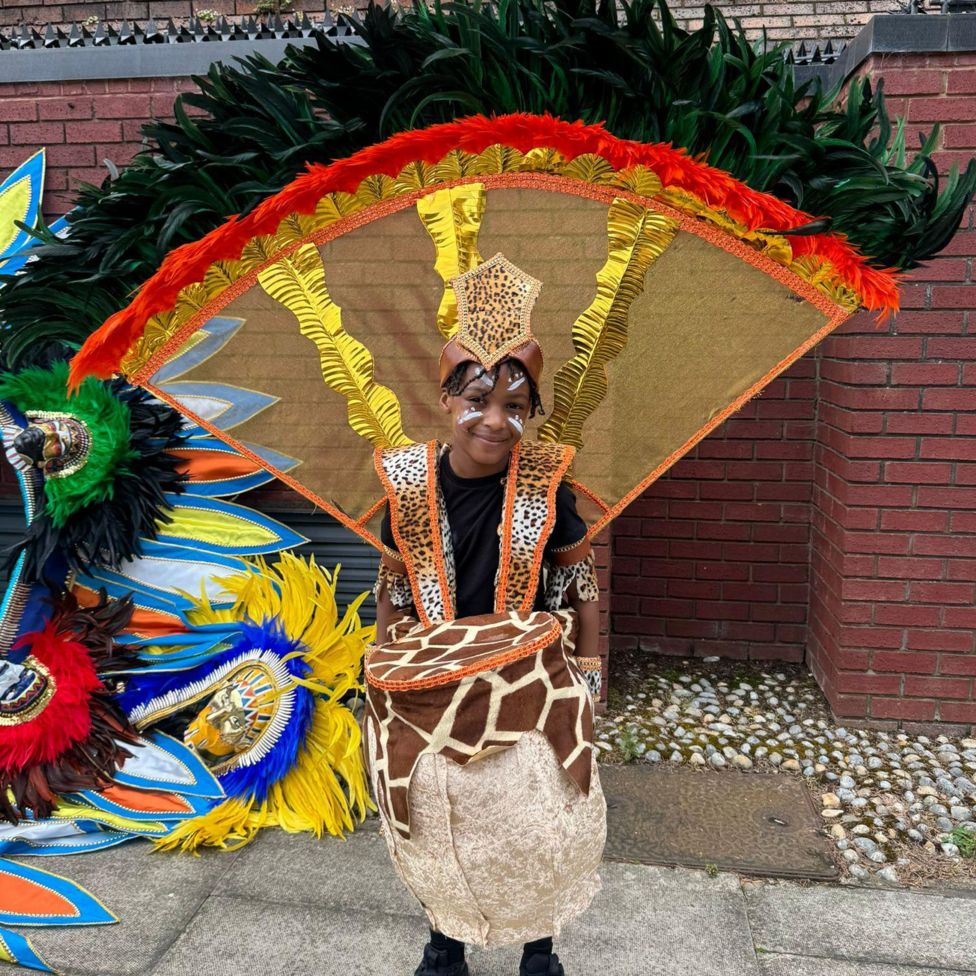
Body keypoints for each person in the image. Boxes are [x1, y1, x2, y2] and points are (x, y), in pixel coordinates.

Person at [367, 254, 605, 976]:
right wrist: (380, 679)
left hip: (527, 678)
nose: (495, 422)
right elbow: (393, 589)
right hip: (436, 680)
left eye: (515, 407)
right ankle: (444, 943)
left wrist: (588, 677)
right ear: (447, 400)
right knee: (436, 817)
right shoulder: (405, 486)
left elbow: (579, 584)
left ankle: (540, 948)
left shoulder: (545, 482)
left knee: (538, 815)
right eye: (477, 401)